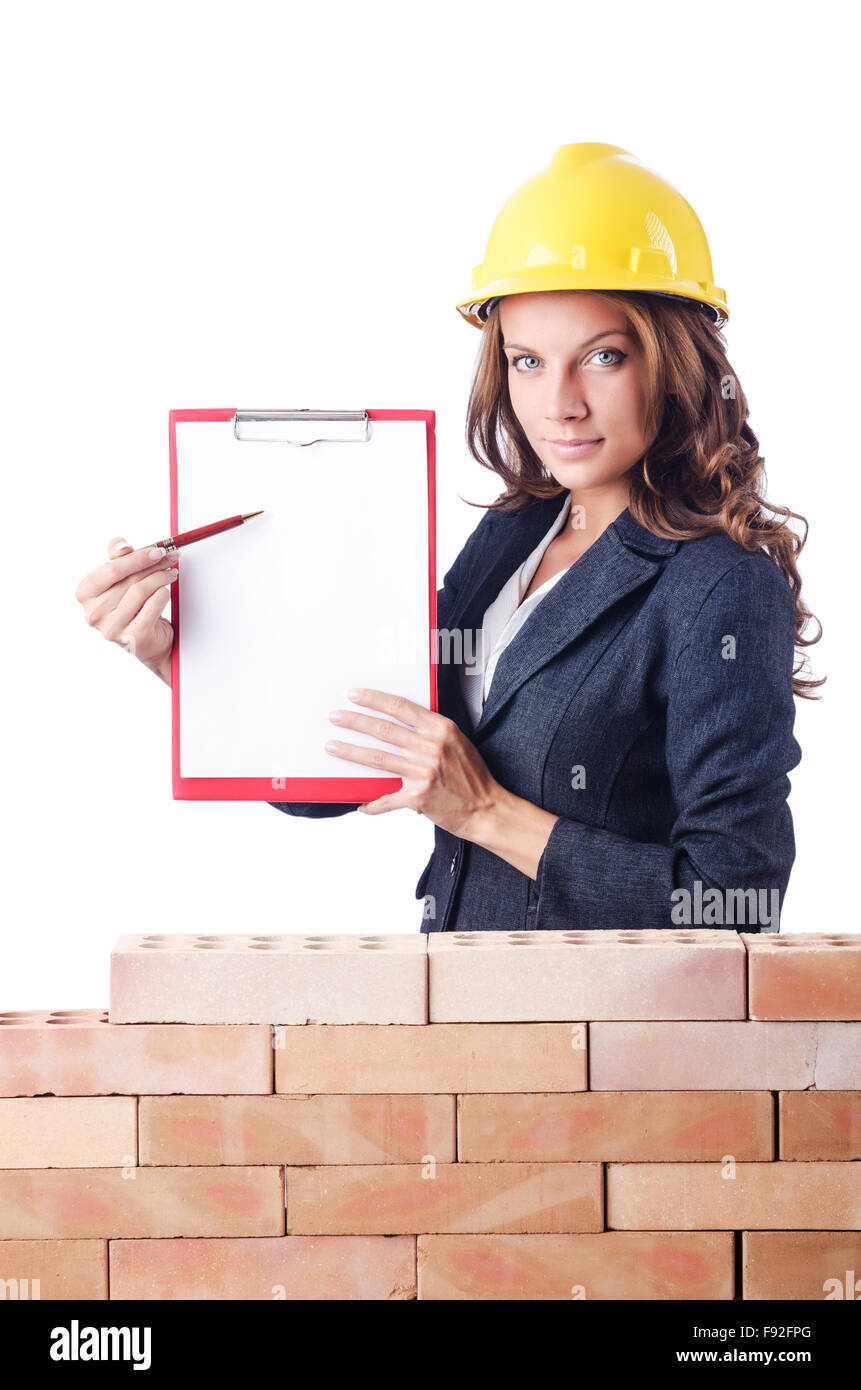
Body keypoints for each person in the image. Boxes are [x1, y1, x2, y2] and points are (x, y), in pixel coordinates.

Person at [75, 142, 822, 936]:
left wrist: (487, 812)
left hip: (611, 1042)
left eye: (603, 357)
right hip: (462, 1017)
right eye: (528, 361)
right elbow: (360, 764)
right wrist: (182, 659)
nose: (558, 403)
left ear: (676, 363)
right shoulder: (514, 533)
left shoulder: (719, 582)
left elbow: (738, 900)